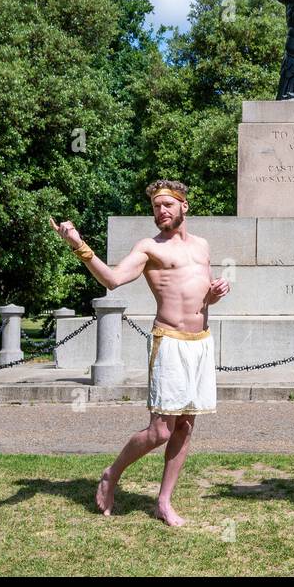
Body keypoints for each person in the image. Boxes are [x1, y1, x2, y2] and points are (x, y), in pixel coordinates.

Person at [49, 180, 229, 526]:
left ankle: (164, 501)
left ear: (183, 207)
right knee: (161, 430)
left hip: (201, 342)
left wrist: (217, 291)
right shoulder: (149, 248)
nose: (160, 211)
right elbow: (113, 280)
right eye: (155, 207)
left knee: (186, 427)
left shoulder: (203, 246)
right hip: (170, 342)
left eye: (167, 205)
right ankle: (112, 472)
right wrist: (79, 246)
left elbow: (200, 294)